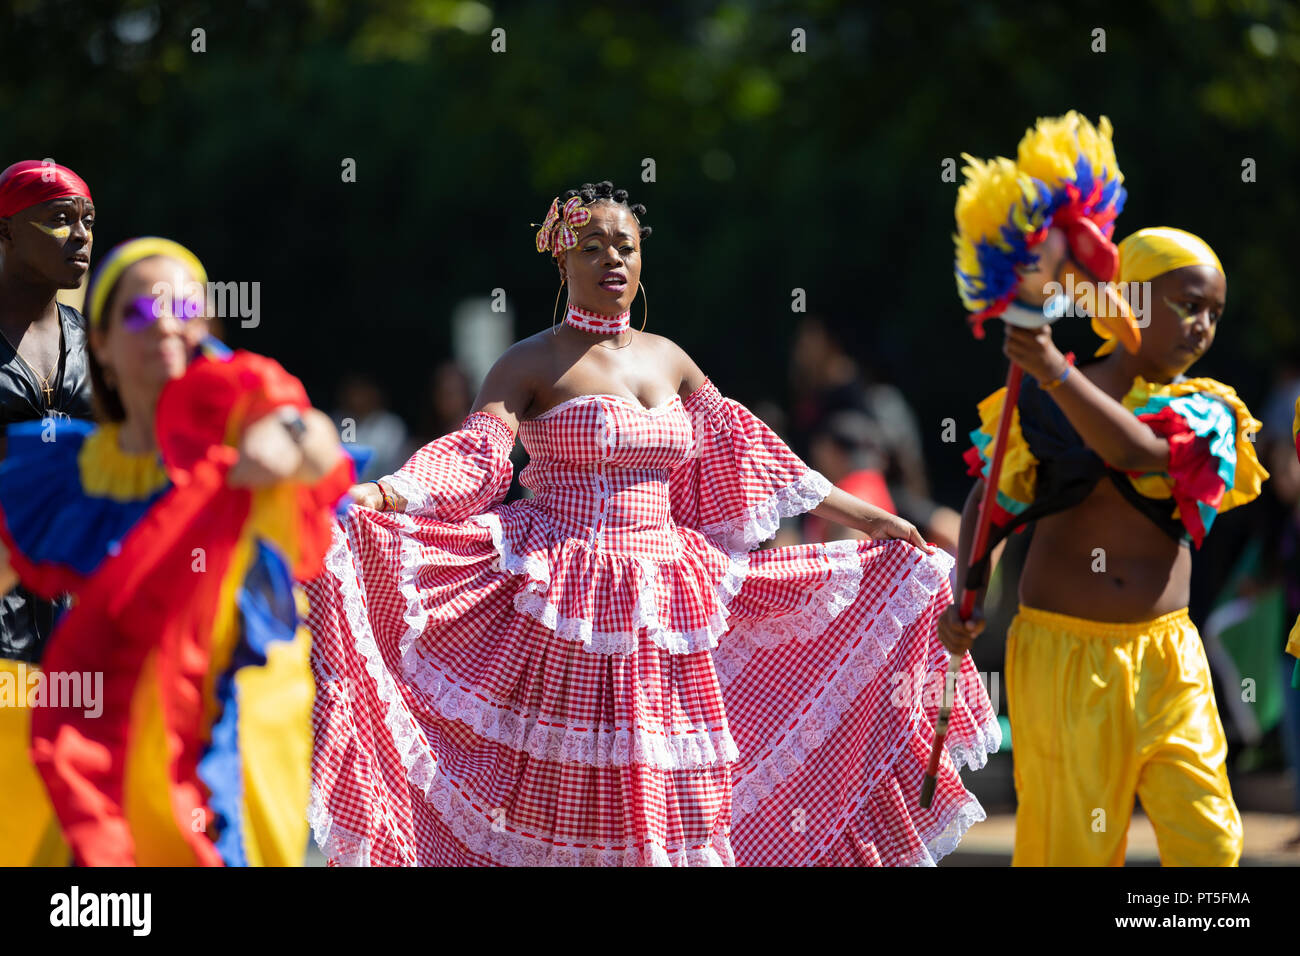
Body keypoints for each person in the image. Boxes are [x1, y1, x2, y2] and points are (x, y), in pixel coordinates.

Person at [305, 180, 999, 867]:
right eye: (593, 247)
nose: (612, 260)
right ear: (562, 261)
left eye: (626, 247)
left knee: (682, 795)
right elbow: (473, 455)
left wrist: (871, 517)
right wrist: (387, 495)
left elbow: (756, 455)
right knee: (579, 803)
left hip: (673, 598)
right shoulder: (530, 362)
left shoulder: (671, 358)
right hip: (568, 603)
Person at [0, 237, 353, 865]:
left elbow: (326, 456)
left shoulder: (248, 436)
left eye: (184, 308)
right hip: (105, 745)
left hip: (229, 739)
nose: (164, 322)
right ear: (99, 346)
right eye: (138, 313)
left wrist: (288, 432)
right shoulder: (71, 473)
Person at [945, 225, 1267, 866]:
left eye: (1213, 313)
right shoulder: (1036, 404)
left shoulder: (1210, 411)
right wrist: (968, 597)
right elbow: (991, 505)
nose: (1202, 325)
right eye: (1188, 304)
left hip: (1169, 660)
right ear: (1129, 304)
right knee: (1075, 851)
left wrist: (1053, 369)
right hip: (1061, 659)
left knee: (1211, 842)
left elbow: (1133, 452)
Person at [0, 159, 96, 865]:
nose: (79, 236)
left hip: (78, 608)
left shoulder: (102, 345)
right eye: (57, 218)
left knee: (74, 816)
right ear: (5, 233)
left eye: (88, 220)